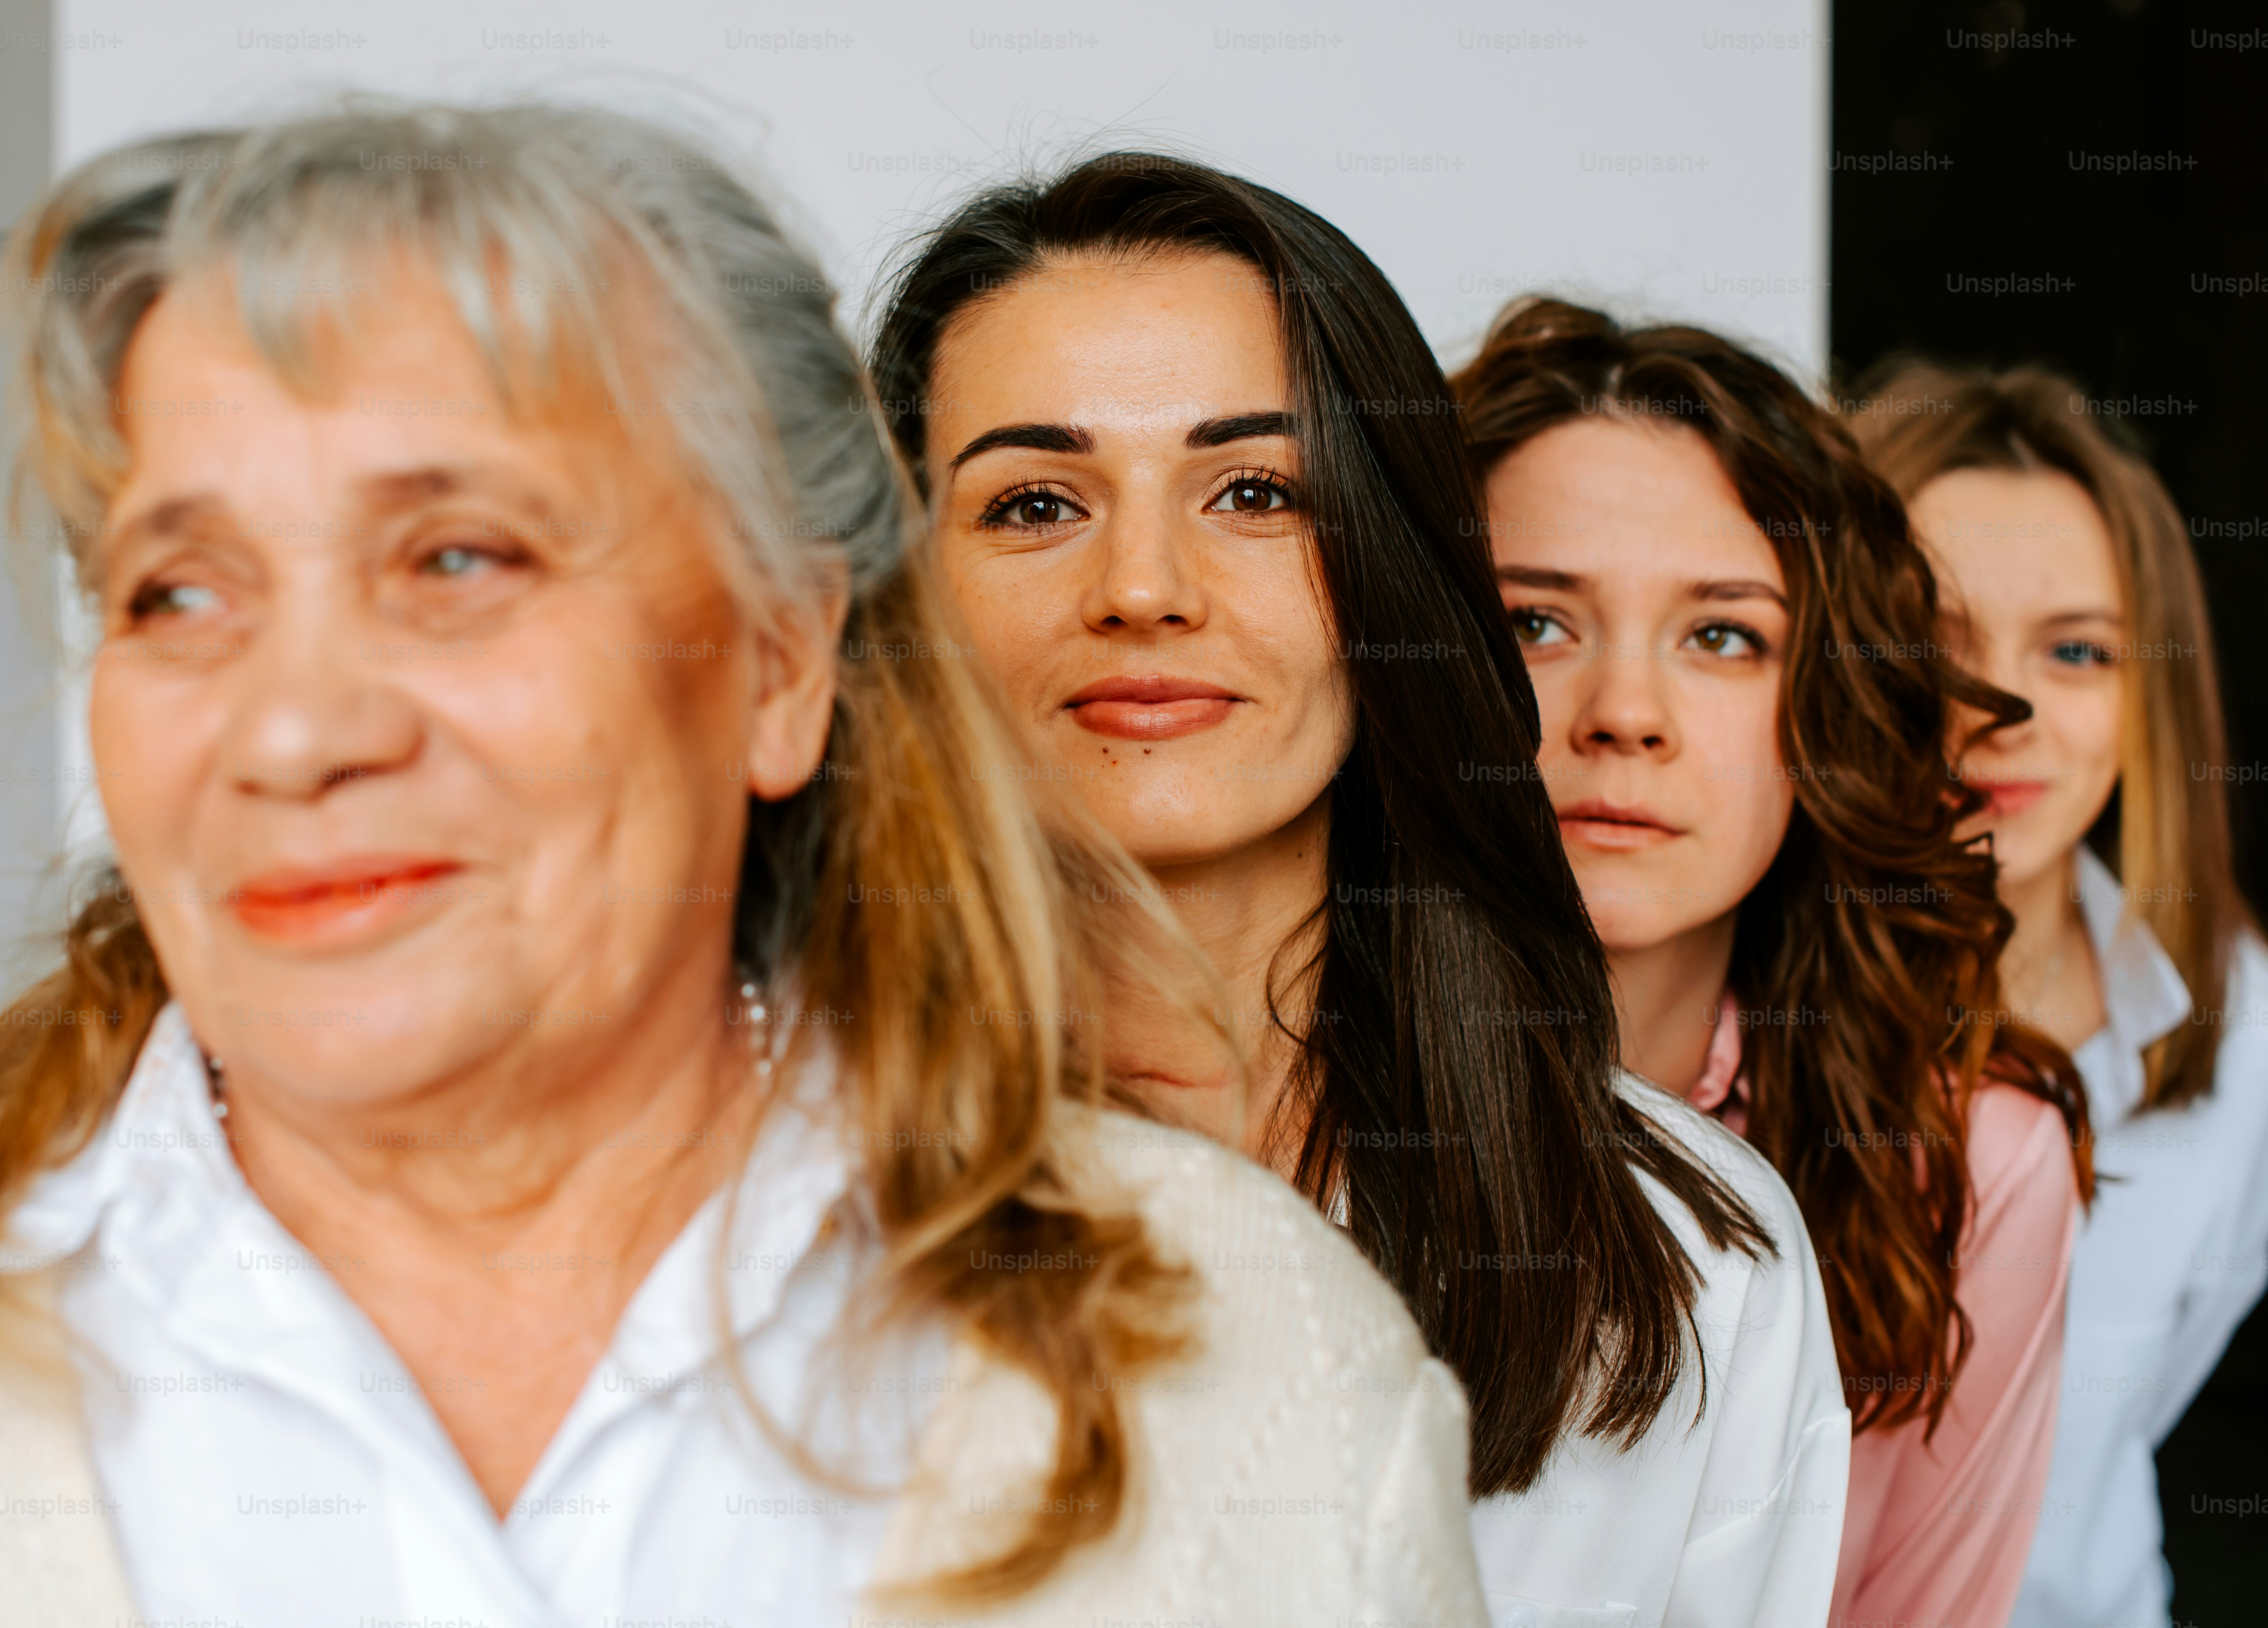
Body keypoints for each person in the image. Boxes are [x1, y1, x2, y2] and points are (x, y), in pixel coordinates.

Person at [0, 105, 1490, 1628]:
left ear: (782, 662)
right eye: (182, 589)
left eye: (457, 558)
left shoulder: (1252, 1370)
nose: (290, 728)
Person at [870, 154, 1848, 1627]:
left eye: (1255, 489)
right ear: (901, 597)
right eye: (1032, 505)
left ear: (1389, 573)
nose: (1143, 587)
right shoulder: (735, 1206)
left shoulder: (1701, 1263)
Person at [1453, 297, 2098, 1628]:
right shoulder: (1252, 1077)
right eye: (1535, 625)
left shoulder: (1971, 1163)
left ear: (1822, 718)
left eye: (1721, 637)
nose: (1623, 717)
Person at [1851, 362, 2268, 1628]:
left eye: (2075, 650)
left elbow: (2133, 1411)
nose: (2009, 711)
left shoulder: (2235, 1015)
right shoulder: (1717, 1008)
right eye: (1934, 645)